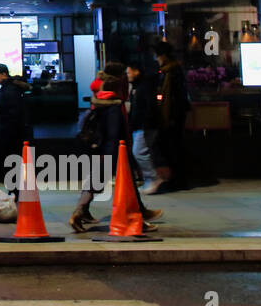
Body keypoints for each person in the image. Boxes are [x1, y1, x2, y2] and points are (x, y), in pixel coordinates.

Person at [69, 62, 162, 232]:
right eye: (125, 77)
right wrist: (114, 155)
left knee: (101, 183)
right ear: (119, 81)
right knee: (125, 186)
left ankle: (81, 212)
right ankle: (137, 219)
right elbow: (113, 134)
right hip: (113, 152)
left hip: (103, 150)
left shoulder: (101, 98)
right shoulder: (113, 105)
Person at [0, 64, 31, 203]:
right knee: (12, 164)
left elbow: (10, 115)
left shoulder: (9, 91)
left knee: (11, 164)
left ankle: (14, 192)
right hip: (10, 135)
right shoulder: (10, 89)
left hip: (8, 136)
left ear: (3, 74)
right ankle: (14, 191)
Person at [155, 41, 190, 191]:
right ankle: (176, 178)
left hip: (173, 116)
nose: (156, 59)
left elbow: (176, 97)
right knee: (173, 147)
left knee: (173, 147)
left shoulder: (171, 72)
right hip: (173, 115)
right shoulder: (170, 70)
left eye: (158, 56)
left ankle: (177, 179)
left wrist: (172, 116)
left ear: (163, 56)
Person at [126, 60, 166, 194]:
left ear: (136, 71)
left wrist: (143, 122)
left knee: (139, 152)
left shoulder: (142, 87)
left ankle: (152, 178)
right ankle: (151, 179)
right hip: (142, 125)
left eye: (129, 72)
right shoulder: (139, 87)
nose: (128, 75)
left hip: (144, 125)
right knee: (144, 151)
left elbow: (148, 107)